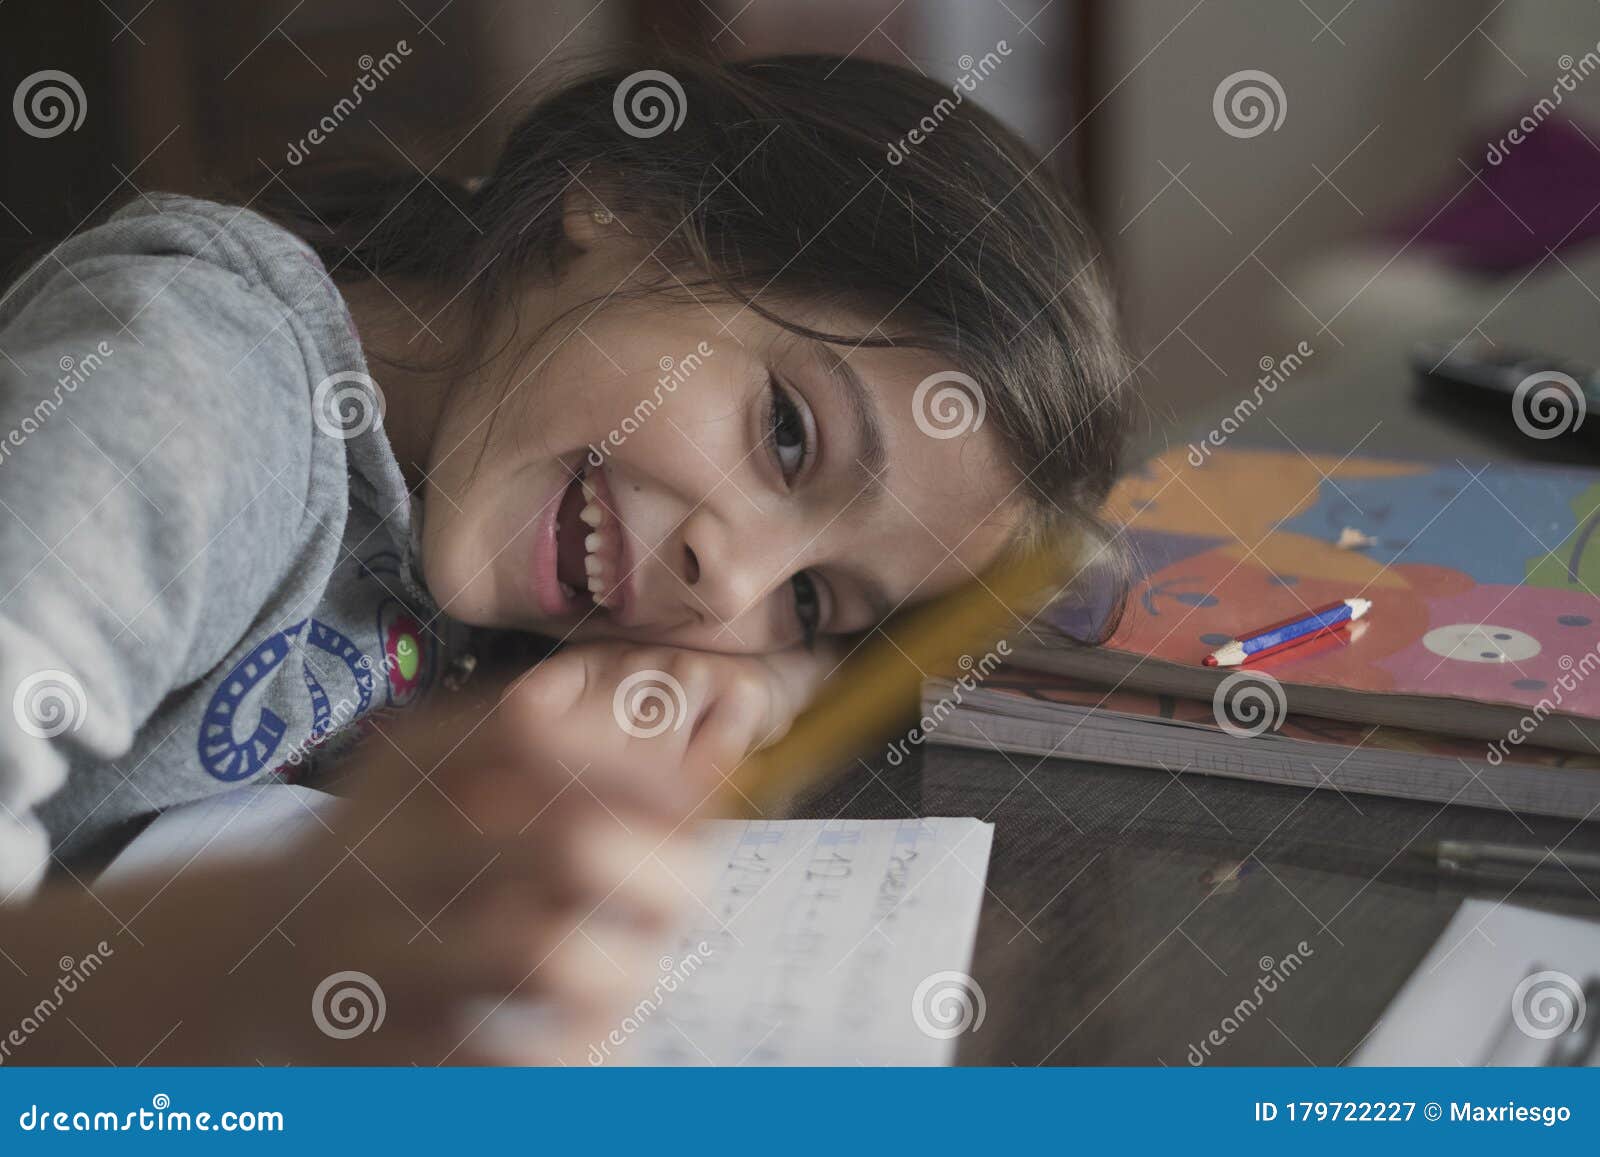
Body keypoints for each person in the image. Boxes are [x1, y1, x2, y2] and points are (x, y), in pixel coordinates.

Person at [0, 51, 1129, 1062]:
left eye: (811, 595)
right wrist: (254, 966)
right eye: (786, 433)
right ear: (629, 203)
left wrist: (772, 675)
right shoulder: (183, 401)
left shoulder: (491, 481)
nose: (728, 586)